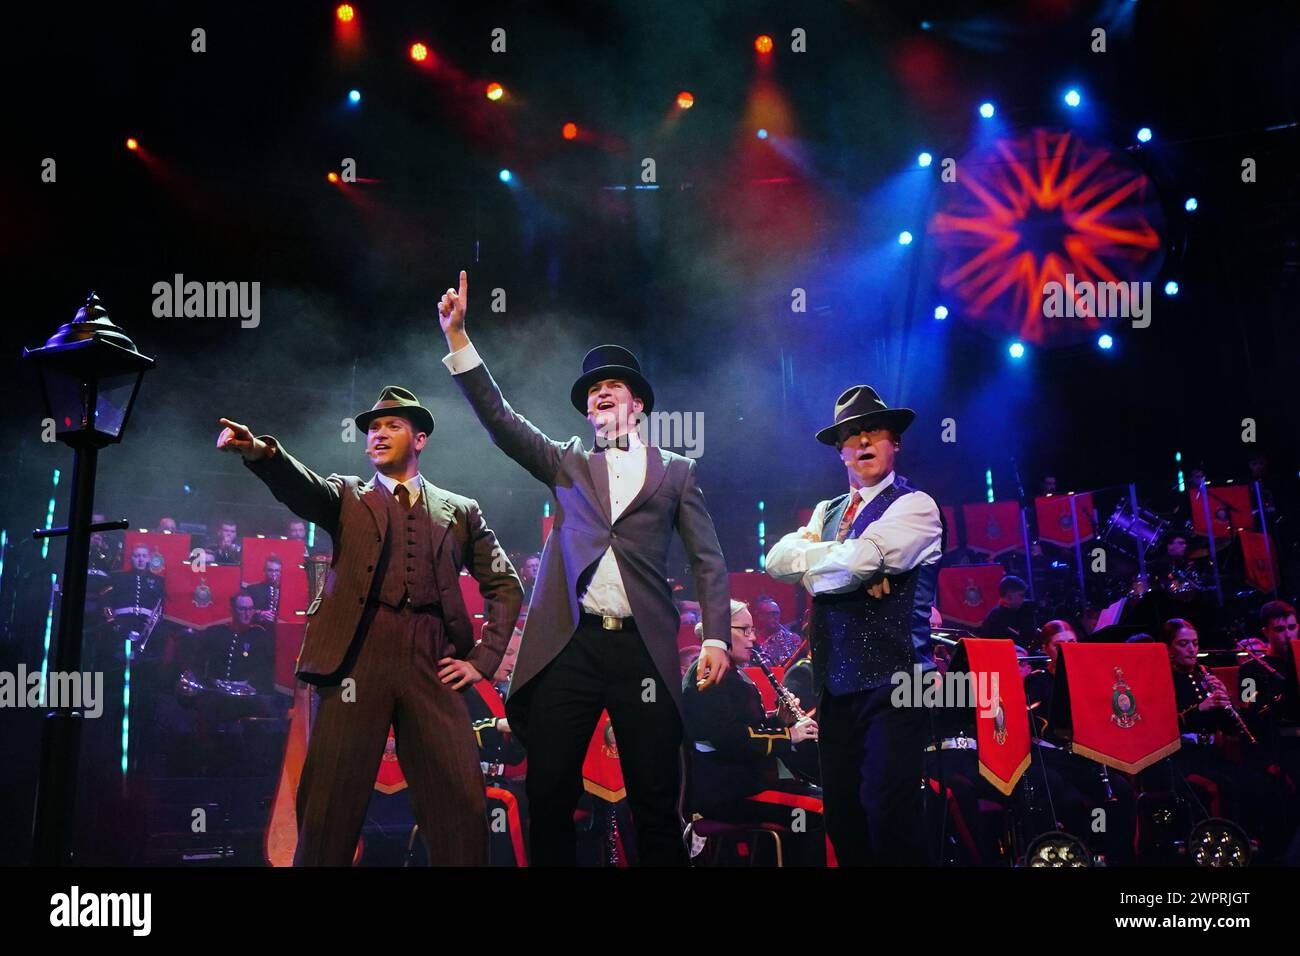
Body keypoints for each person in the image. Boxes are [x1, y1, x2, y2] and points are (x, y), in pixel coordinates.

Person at [437, 269, 731, 866]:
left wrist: (717, 636)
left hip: (641, 651)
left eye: (614, 385)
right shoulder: (566, 463)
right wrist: (459, 339)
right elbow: (501, 421)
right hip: (570, 647)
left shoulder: (675, 470)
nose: (600, 392)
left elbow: (708, 557)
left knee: (653, 797)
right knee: (549, 793)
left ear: (637, 403)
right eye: (593, 388)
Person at [216, 383, 523, 866]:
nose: (378, 434)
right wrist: (259, 452)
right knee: (329, 806)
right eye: (373, 428)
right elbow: (300, 484)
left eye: (392, 426)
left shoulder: (460, 511)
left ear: (419, 439)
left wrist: (482, 660)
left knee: (460, 802)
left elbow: (506, 585)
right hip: (357, 660)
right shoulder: (345, 497)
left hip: (432, 662)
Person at [767, 383, 943, 865]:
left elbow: (856, 562)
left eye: (874, 432)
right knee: (843, 815)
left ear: (895, 442)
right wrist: (849, 565)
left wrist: (837, 567)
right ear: (840, 452)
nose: (863, 441)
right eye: (852, 436)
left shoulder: (916, 506)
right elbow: (777, 560)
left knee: (890, 811)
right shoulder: (827, 512)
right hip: (836, 686)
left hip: (897, 682)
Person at [682, 600, 824, 864]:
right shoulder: (709, 676)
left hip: (746, 783)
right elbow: (730, 739)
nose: (753, 637)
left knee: (828, 798)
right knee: (821, 810)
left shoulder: (731, 673)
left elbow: (746, 728)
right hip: (728, 792)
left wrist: (780, 721)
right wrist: (790, 735)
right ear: (720, 632)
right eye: (745, 630)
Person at [977, 575, 1039, 645]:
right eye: (1021, 595)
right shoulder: (995, 617)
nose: (1024, 599)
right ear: (1009, 597)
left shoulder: (1025, 610)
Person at [753, 594, 805, 667]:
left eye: (777, 614)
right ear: (760, 616)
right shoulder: (752, 638)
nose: (775, 617)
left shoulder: (792, 639)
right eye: (770, 614)